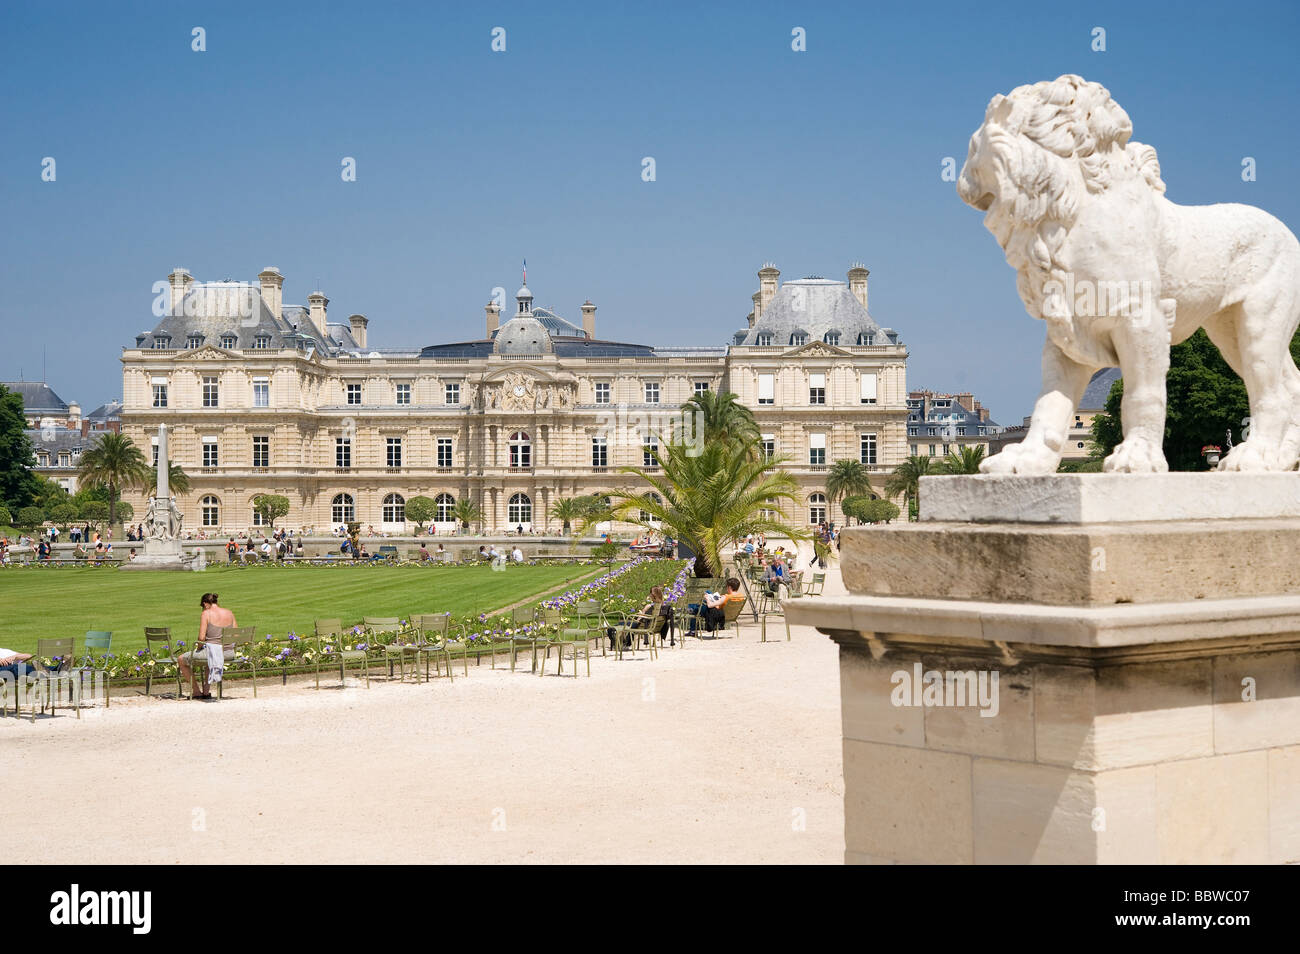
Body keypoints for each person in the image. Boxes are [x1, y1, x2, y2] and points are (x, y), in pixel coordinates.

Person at [177, 593, 236, 700]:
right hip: (228, 653)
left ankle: (196, 691)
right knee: (210, 655)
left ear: (205, 604)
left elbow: (201, 638)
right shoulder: (229, 613)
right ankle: (205, 692)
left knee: (181, 659)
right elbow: (236, 634)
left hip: (214, 652)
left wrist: (199, 648)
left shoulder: (206, 613)